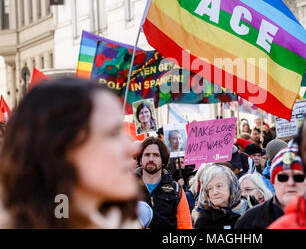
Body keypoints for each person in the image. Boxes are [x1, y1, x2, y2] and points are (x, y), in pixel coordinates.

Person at [0, 78, 140, 228]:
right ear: (60, 150)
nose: (133, 149)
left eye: (122, 131)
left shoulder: (124, 223)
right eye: (112, 134)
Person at [235, 142, 306, 229]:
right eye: (283, 177)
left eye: (298, 177)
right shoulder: (249, 220)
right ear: (273, 181)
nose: (291, 183)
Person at [134, 137, 192, 229]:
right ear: (140, 160)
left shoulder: (176, 191)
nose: (151, 159)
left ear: (163, 161)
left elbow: (185, 227)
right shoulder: (126, 188)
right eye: (147, 155)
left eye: (156, 155)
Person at [193, 164, 248, 229]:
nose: (214, 192)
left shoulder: (252, 210)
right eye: (210, 188)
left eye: (219, 186)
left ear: (232, 186)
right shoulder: (204, 221)